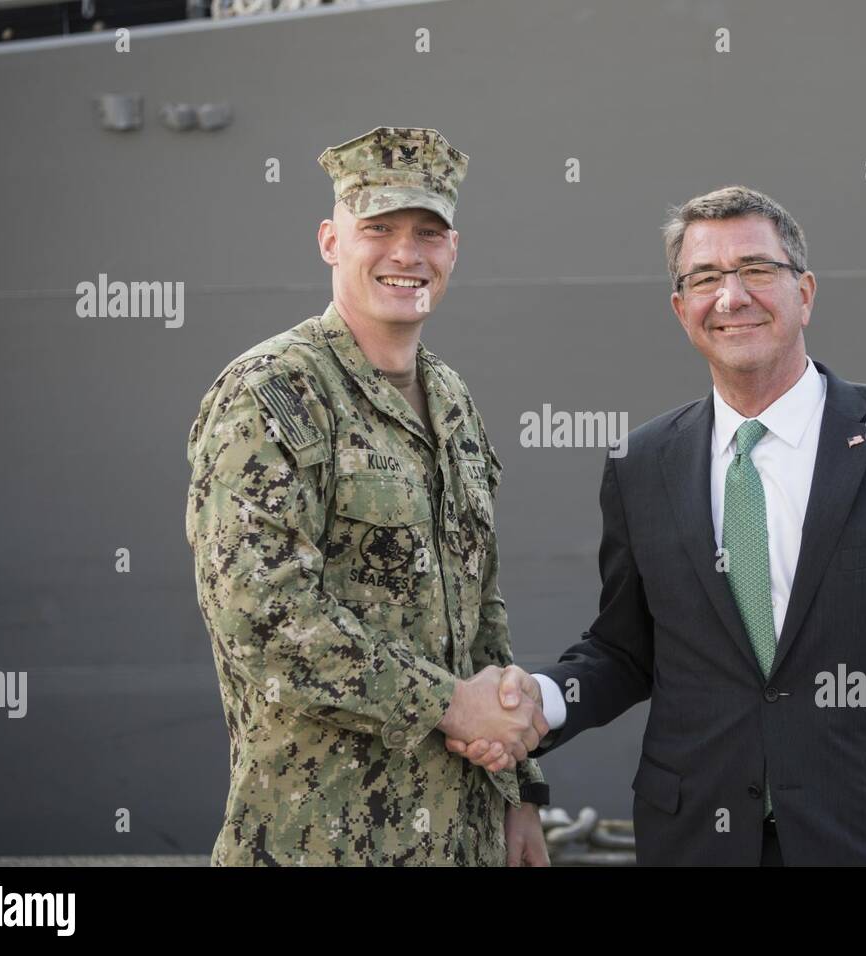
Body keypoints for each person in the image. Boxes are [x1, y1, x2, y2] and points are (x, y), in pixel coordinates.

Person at [448, 185, 866, 866]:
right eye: (705, 278)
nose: (731, 296)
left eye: (757, 270)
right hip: (695, 841)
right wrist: (544, 701)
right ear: (682, 310)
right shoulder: (641, 464)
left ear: (806, 293)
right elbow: (625, 650)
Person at [185, 126, 549, 866]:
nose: (405, 254)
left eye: (428, 232)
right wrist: (449, 703)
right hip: (321, 841)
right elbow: (262, 617)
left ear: (453, 250)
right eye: (377, 229)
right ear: (330, 240)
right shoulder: (274, 393)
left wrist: (519, 796)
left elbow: (483, 610)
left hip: (462, 837)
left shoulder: (450, 399)